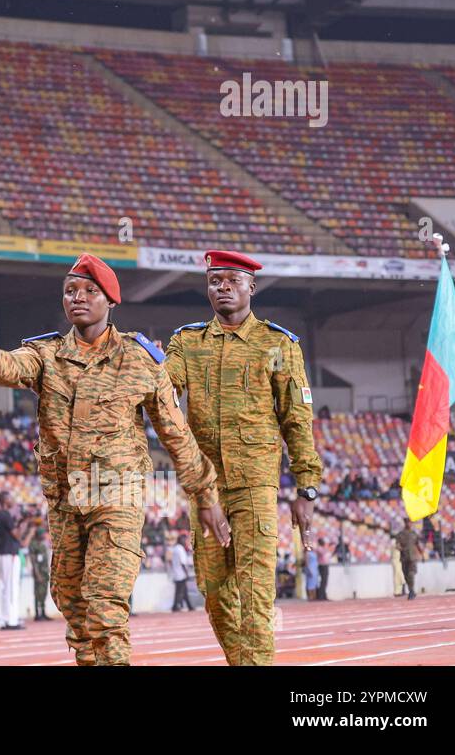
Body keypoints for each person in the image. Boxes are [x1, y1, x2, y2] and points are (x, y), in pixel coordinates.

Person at [0, 253, 227, 665]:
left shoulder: (140, 359)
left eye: (89, 291)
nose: (78, 297)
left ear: (109, 300)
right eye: (70, 291)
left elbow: (176, 434)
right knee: (72, 607)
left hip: (115, 496)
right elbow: (11, 365)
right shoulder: (46, 355)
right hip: (64, 500)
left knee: (104, 608)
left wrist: (206, 496)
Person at [164, 250, 321, 666]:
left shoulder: (276, 345)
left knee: (255, 595)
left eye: (233, 281)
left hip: (256, 486)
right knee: (214, 593)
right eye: (215, 281)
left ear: (252, 287)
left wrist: (307, 487)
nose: (223, 288)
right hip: (208, 490)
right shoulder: (187, 343)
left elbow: (297, 418)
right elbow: (163, 388)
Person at [0, 492, 25, 629]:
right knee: (11, 587)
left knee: (6, 586)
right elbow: (16, 535)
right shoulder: (5, 515)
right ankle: (11, 620)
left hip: (3, 553)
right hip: (9, 553)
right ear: (5, 500)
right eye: (10, 497)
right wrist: (22, 522)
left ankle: (6, 618)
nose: (13, 500)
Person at [28, 516, 51, 621]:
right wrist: (37, 574)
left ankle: (43, 612)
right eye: (41, 534)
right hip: (39, 572)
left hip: (45, 571)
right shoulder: (33, 544)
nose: (43, 535)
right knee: (38, 593)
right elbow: (33, 561)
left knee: (44, 593)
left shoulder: (42, 544)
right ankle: (38, 613)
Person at [396, 521, 423, 599]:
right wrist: (400, 548)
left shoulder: (414, 534)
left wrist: (422, 554)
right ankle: (411, 590)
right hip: (404, 557)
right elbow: (397, 545)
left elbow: (417, 544)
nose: (409, 524)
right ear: (405, 523)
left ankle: (411, 591)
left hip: (412, 557)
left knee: (411, 574)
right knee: (405, 575)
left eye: (410, 523)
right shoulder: (400, 534)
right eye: (408, 522)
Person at [169, 533, 193, 611]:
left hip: (177, 573)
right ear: (181, 540)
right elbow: (183, 563)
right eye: (185, 539)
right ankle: (175, 606)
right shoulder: (180, 549)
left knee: (182, 591)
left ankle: (188, 606)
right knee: (180, 591)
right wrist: (186, 573)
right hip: (181, 574)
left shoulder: (175, 548)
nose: (185, 541)